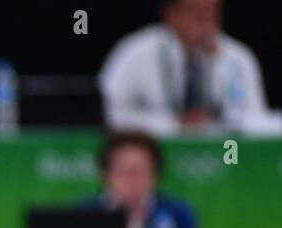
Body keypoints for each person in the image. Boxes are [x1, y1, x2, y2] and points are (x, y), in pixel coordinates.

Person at [99, 0, 279, 137]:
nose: (207, 23)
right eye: (198, 15)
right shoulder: (134, 53)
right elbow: (109, 114)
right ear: (171, 15)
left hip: (223, 151)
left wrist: (220, 64)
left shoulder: (237, 58)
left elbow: (255, 120)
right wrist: (173, 124)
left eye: (212, 14)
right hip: (155, 149)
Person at [86, 131, 207, 228]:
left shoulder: (177, 213)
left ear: (155, 175)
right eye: (124, 171)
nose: (132, 180)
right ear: (105, 174)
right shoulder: (84, 215)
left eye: (140, 171)